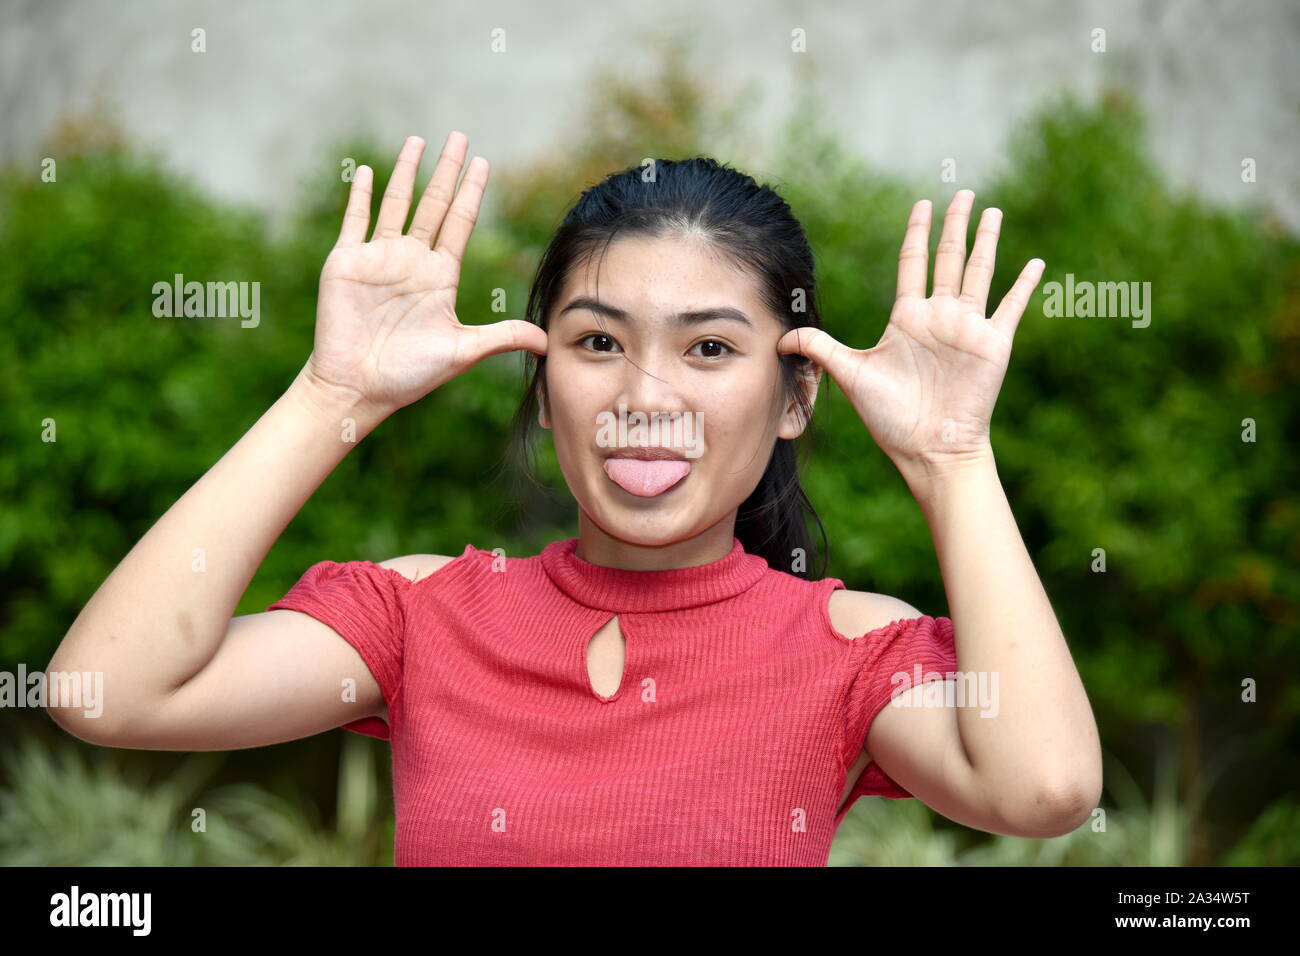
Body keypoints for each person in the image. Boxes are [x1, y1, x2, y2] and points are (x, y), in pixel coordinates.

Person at [45, 131, 1102, 866]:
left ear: (794, 396)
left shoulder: (845, 646)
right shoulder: (424, 615)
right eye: (598, 341)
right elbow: (106, 692)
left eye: (710, 348)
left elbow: (1044, 788)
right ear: (543, 387)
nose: (646, 395)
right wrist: (332, 395)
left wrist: (952, 456)